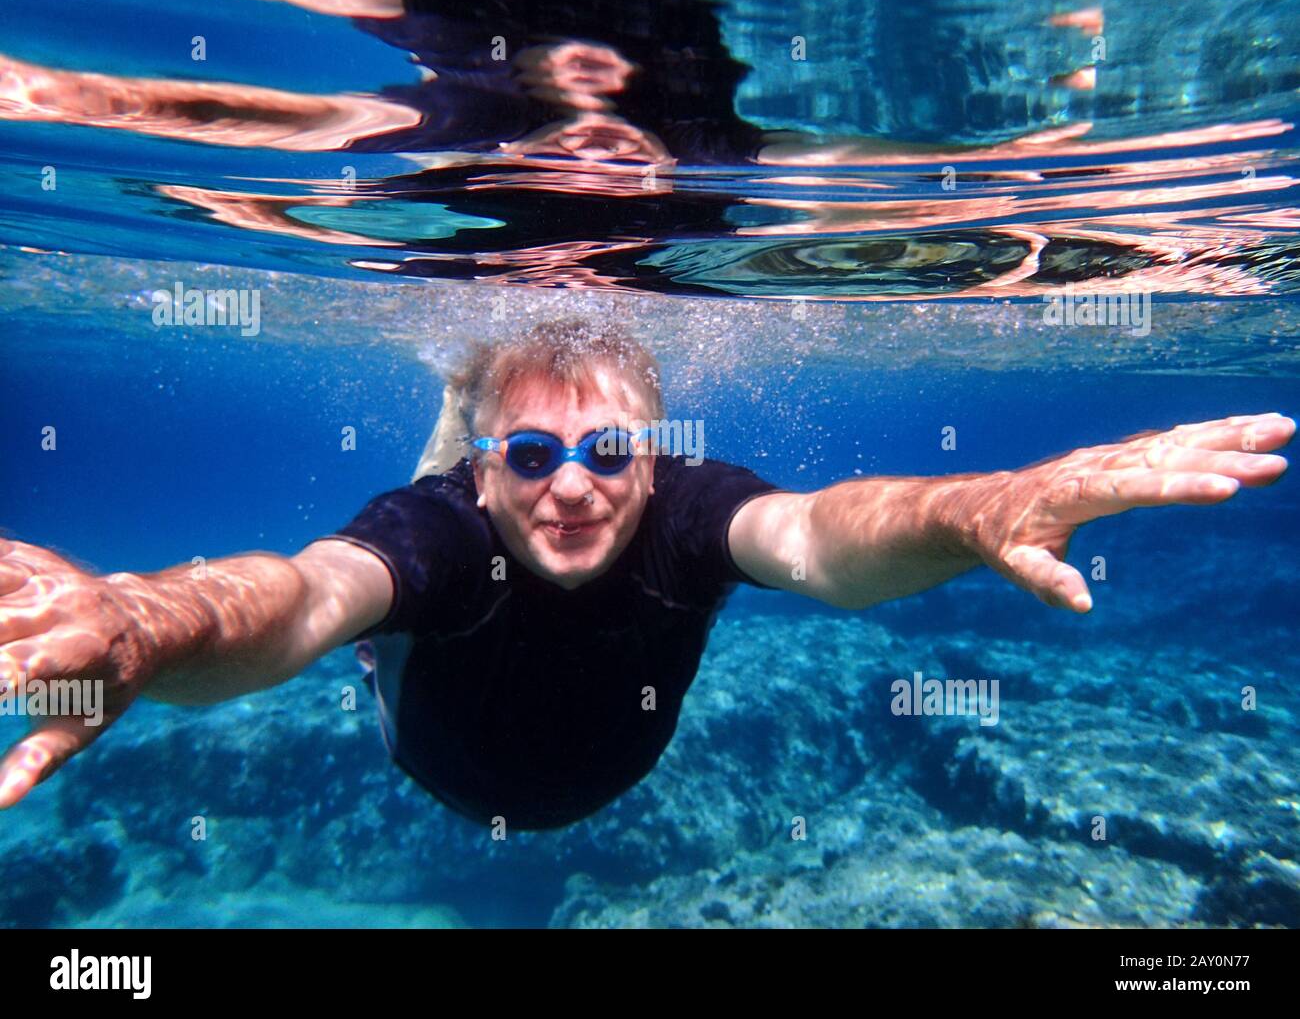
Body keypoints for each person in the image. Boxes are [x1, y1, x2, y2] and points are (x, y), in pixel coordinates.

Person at [0, 318, 1292, 828]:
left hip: (591, 759)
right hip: (423, 740)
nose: (573, 482)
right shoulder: (442, 527)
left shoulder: (694, 507)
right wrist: (142, 628)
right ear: (495, 475)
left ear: (656, 454)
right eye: (535, 453)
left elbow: (826, 537)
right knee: (380, 595)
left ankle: (476, 405)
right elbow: (298, 595)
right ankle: (452, 418)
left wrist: (980, 506)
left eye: (610, 449)